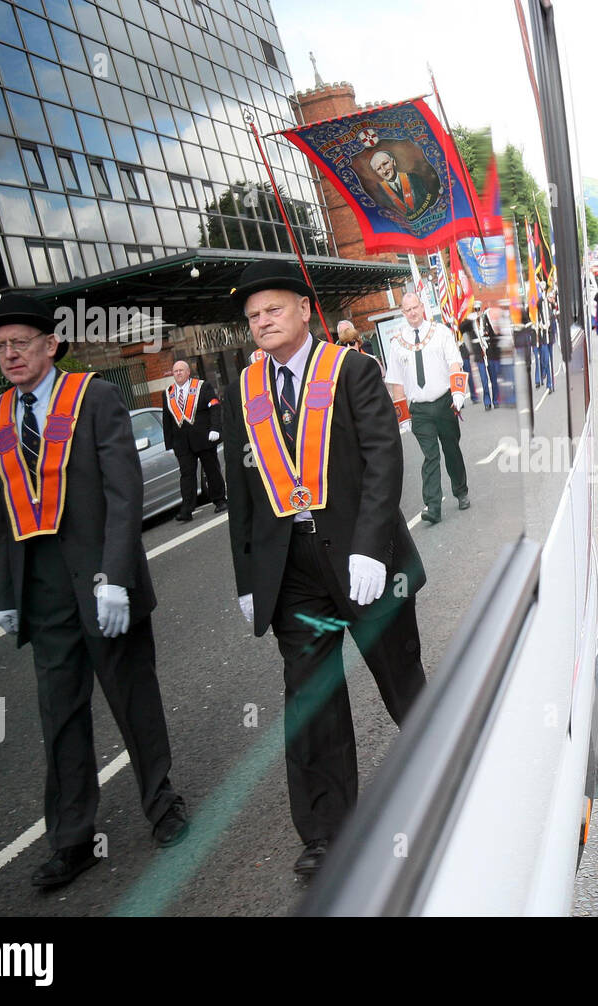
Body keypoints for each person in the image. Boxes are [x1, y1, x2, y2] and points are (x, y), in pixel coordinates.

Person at [223, 261, 427, 876]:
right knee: (311, 702)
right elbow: (241, 491)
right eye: (253, 316)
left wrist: (372, 546)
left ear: (304, 311)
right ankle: (326, 833)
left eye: (273, 310)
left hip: (363, 560)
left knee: (401, 680)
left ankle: (451, 777)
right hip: (292, 572)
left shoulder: (351, 368)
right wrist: (246, 580)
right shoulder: (244, 390)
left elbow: (382, 457)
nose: (262, 322)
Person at [0, 292, 188, 890]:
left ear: (51, 345)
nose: (11, 354)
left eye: (21, 342)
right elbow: (1, 512)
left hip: (101, 581)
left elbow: (124, 492)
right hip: (43, 592)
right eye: (1, 347)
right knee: (60, 716)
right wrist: (5, 594)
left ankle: (161, 804)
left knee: (132, 697)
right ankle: (72, 839)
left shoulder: (92, 396)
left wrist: (117, 578)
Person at [384, 291, 470, 523]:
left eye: (415, 307)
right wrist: (404, 418)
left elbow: (454, 363)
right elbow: (397, 383)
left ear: (422, 307)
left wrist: (458, 395)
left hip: (445, 403)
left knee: (451, 450)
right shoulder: (397, 344)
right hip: (419, 410)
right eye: (407, 310)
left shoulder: (441, 333)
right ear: (403, 313)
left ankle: (461, 492)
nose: (412, 313)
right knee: (430, 456)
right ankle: (433, 506)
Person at [162, 359, 227, 522]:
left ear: (188, 372)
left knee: (211, 470)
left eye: (181, 370)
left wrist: (216, 429)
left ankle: (220, 500)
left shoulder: (202, 386)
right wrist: (169, 444)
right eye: (175, 371)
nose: (178, 373)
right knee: (186, 475)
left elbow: (215, 407)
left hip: (204, 437)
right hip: (182, 444)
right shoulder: (168, 393)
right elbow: (166, 420)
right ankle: (187, 509)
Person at [368, 149, 431, 218]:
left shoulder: (413, 178)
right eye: (378, 169)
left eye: (385, 163)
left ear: (393, 162)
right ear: (376, 173)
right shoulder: (380, 192)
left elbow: (428, 199)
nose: (384, 171)